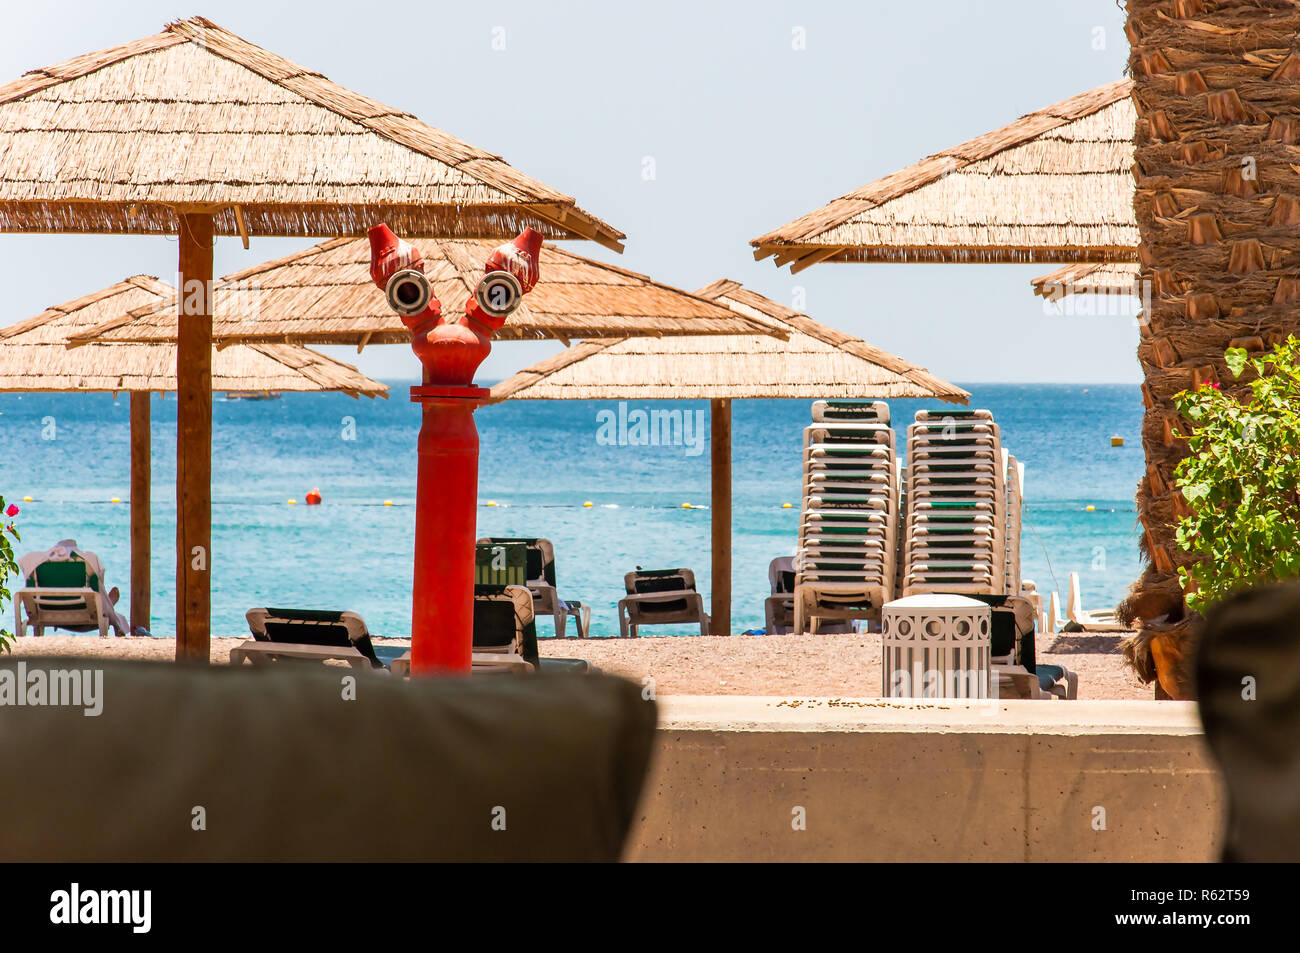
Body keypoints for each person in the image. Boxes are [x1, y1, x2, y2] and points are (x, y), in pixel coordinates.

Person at [17, 539, 131, 637]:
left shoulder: (35, 564)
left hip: (46, 611)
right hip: (85, 612)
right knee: (100, 597)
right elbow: (96, 588)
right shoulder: (88, 561)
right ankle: (109, 604)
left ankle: (108, 604)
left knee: (97, 597)